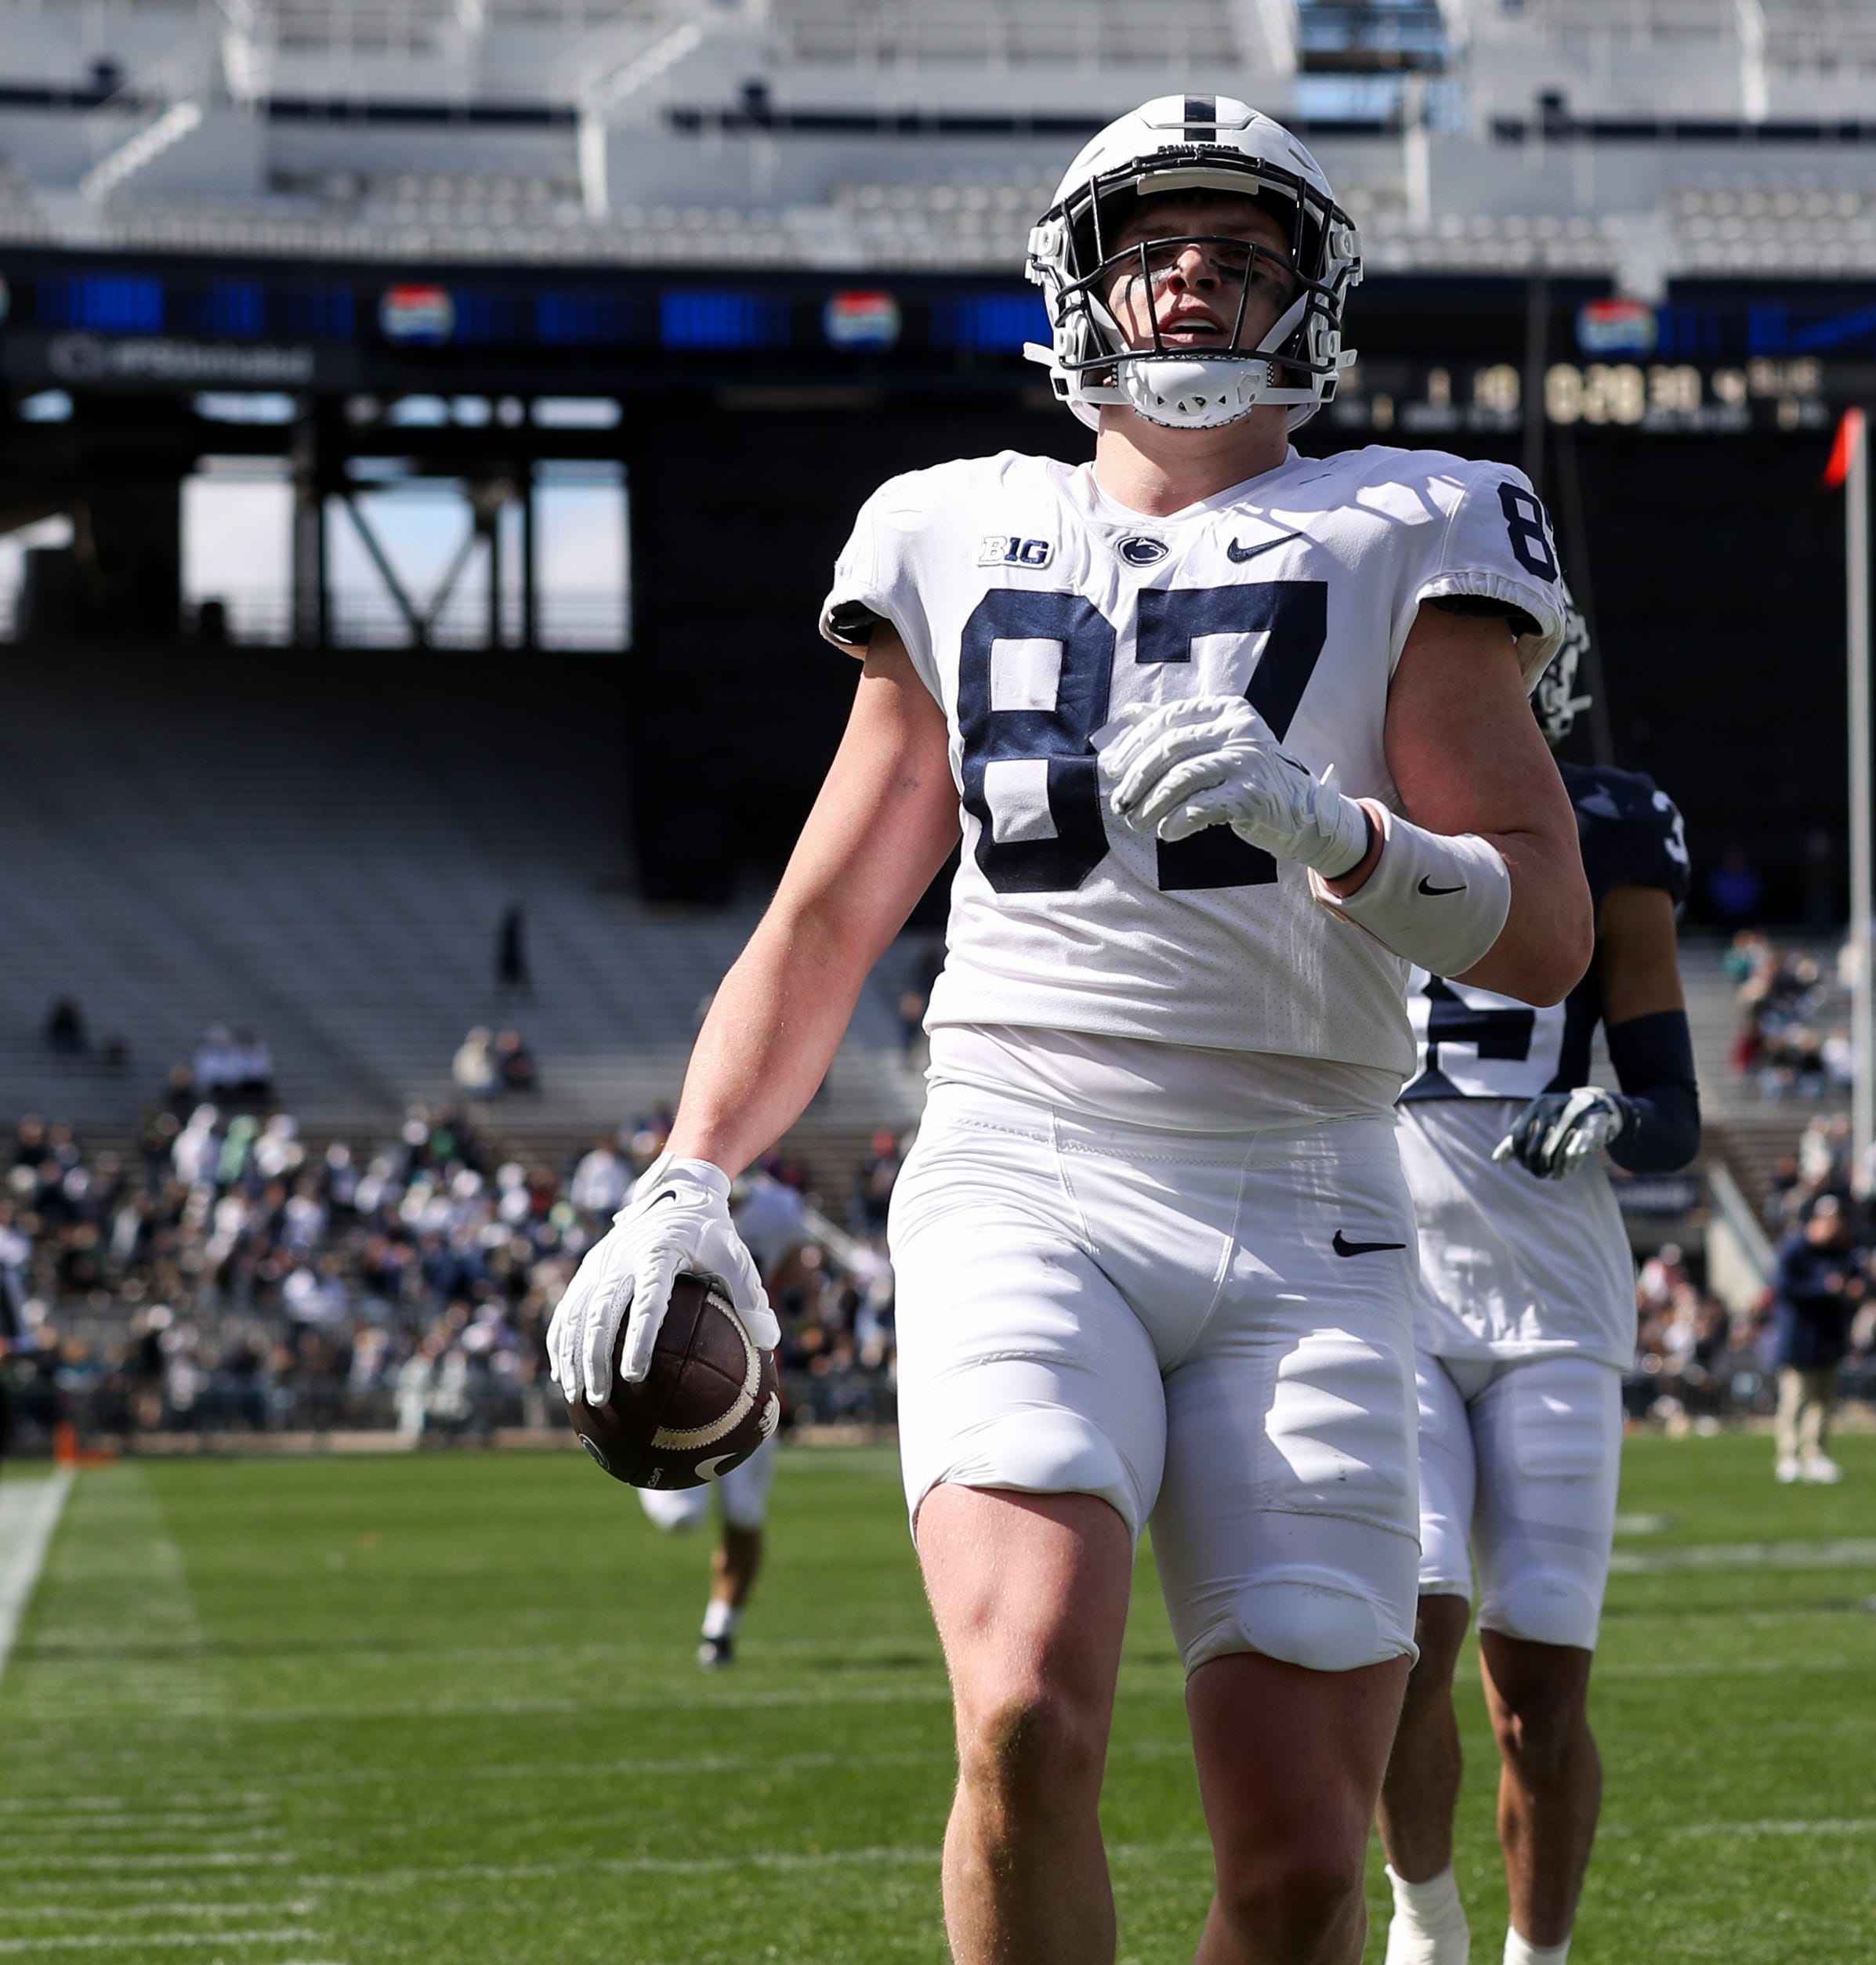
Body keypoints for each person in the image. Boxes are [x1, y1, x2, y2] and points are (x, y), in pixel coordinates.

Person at [546, 92, 1590, 1965]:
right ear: (1076, 286)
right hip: (1025, 1159)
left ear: (1312, 293)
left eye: (1240, 249)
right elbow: (827, 914)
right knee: (1025, 1708)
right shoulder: (951, 525)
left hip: (1313, 1187)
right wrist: (689, 1171)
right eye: (1152, 246)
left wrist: (1340, 833)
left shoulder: (1418, 516)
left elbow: (1548, 931)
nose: (1190, 275)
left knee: (1300, 1857)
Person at [1374, 614, 1698, 1965]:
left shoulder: (1609, 822)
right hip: (1383, 1278)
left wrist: (1610, 1114)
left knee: (1537, 1701)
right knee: (1399, 1649)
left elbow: (1672, 1107)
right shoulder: (1342, 794)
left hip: (1550, 1297)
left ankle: (1536, 1956)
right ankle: (1424, 1922)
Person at [639, 1421, 778, 1668]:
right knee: (679, 1516)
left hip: (746, 1404)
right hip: (672, 1415)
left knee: (744, 1513)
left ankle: (719, 1633)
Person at [1769, 1194, 1856, 1483]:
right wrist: (1823, 1287)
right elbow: (1785, 1288)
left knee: (1822, 1403)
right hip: (1798, 1340)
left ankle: (1816, 1454)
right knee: (1794, 1402)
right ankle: (1788, 1456)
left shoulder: (1838, 1252)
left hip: (1826, 1340)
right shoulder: (1794, 1251)